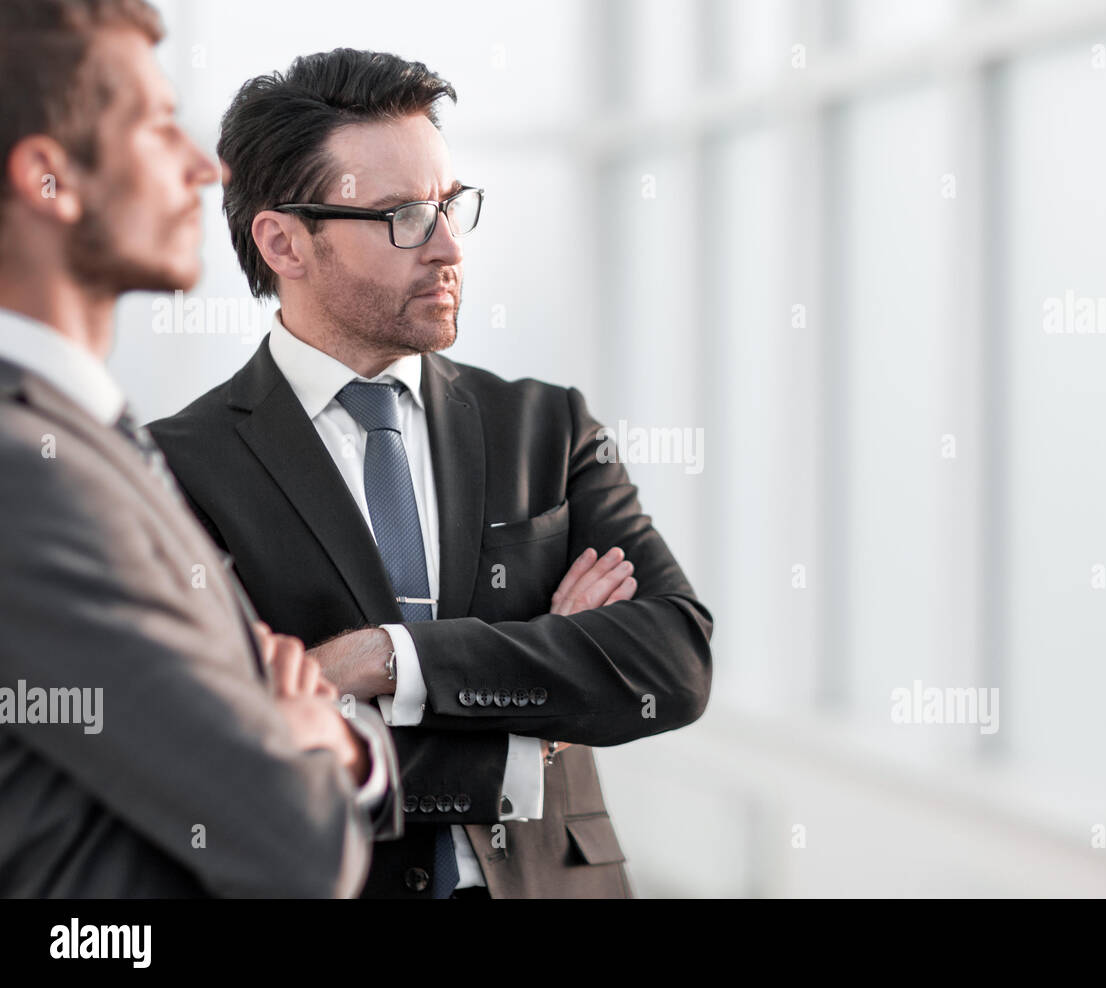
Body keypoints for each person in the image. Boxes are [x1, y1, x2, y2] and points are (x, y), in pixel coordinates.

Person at [148, 47, 714, 898]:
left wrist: (386, 661)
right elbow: (217, 743)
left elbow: (673, 661)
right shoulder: (176, 468)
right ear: (284, 242)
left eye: (449, 205)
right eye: (404, 215)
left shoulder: (546, 427)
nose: (448, 246)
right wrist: (537, 715)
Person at [0, 0, 402, 897]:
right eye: (154, 125)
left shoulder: (89, 441)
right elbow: (294, 850)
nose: (204, 167)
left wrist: (323, 735)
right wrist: (303, 732)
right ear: (46, 178)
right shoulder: (26, 473)